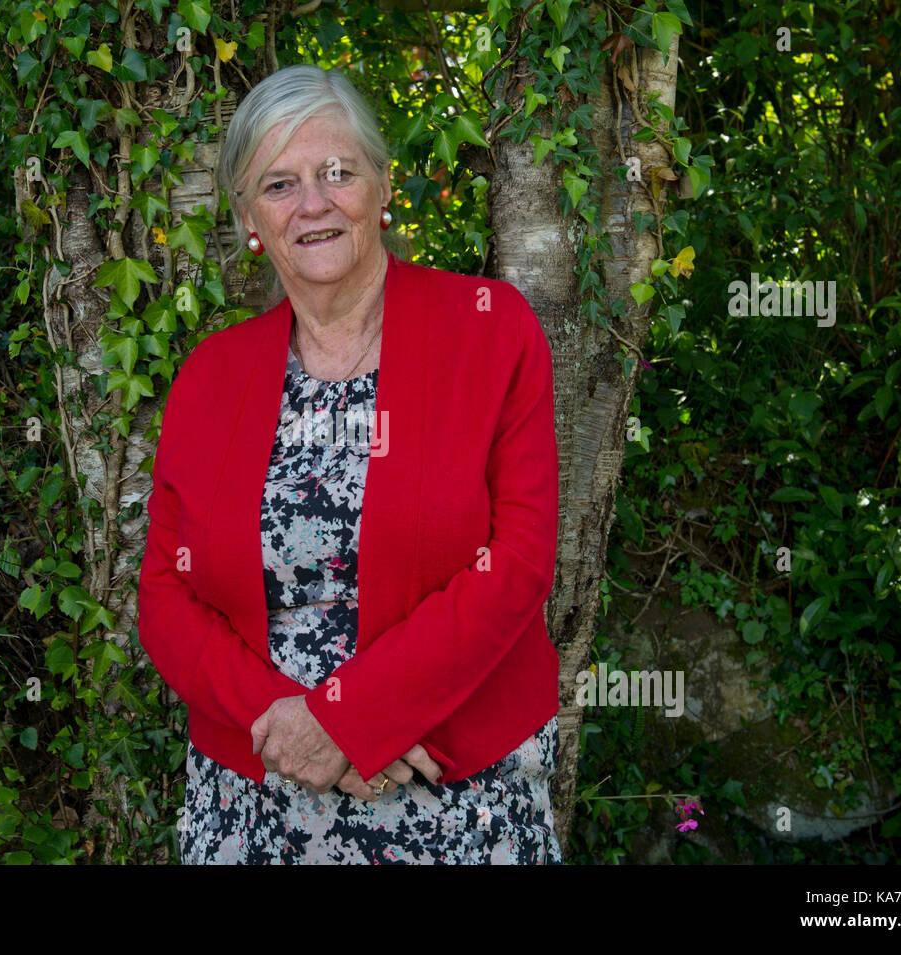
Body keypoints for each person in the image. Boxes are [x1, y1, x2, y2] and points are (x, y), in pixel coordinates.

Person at [137, 64, 562, 864]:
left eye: (338, 172)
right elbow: (164, 592)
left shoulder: (490, 331)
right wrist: (297, 724)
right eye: (279, 183)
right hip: (259, 788)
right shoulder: (210, 377)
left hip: (453, 789)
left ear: (382, 184)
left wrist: (354, 715)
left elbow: (518, 561)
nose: (313, 204)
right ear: (248, 216)